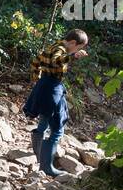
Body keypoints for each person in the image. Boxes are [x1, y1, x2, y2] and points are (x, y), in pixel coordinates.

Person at [23, 28, 89, 177]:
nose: (79, 50)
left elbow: (36, 61)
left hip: (44, 85)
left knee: (44, 121)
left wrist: (37, 78)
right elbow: (56, 60)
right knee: (58, 128)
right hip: (52, 88)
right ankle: (47, 167)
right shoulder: (60, 49)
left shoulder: (54, 45)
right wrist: (73, 56)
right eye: (79, 47)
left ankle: (39, 155)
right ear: (73, 43)